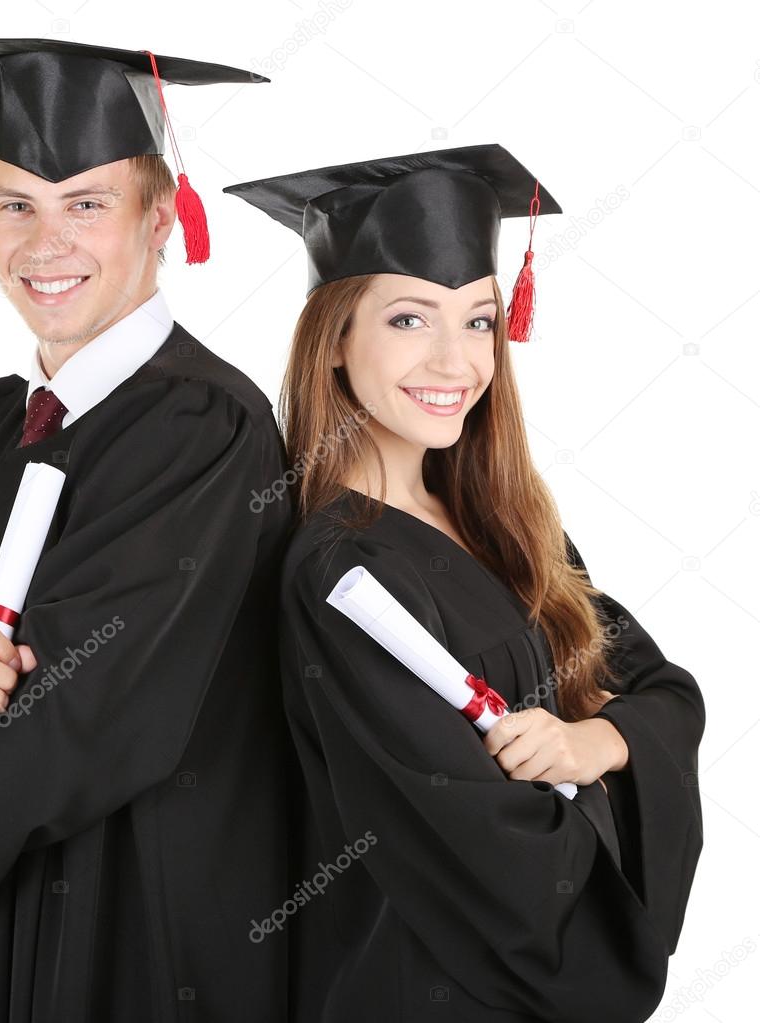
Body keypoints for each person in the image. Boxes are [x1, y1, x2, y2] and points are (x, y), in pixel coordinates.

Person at [0, 39, 293, 1021]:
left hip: (146, 930)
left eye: (86, 204)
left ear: (160, 217)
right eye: (15, 205)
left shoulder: (204, 425)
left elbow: (83, 721)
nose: (45, 244)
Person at [224, 144, 706, 1022]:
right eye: (410, 318)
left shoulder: (508, 522)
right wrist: (608, 754)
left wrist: (593, 745)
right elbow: (490, 852)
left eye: (479, 320)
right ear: (335, 342)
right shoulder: (340, 573)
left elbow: (668, 693)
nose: (455, 361)